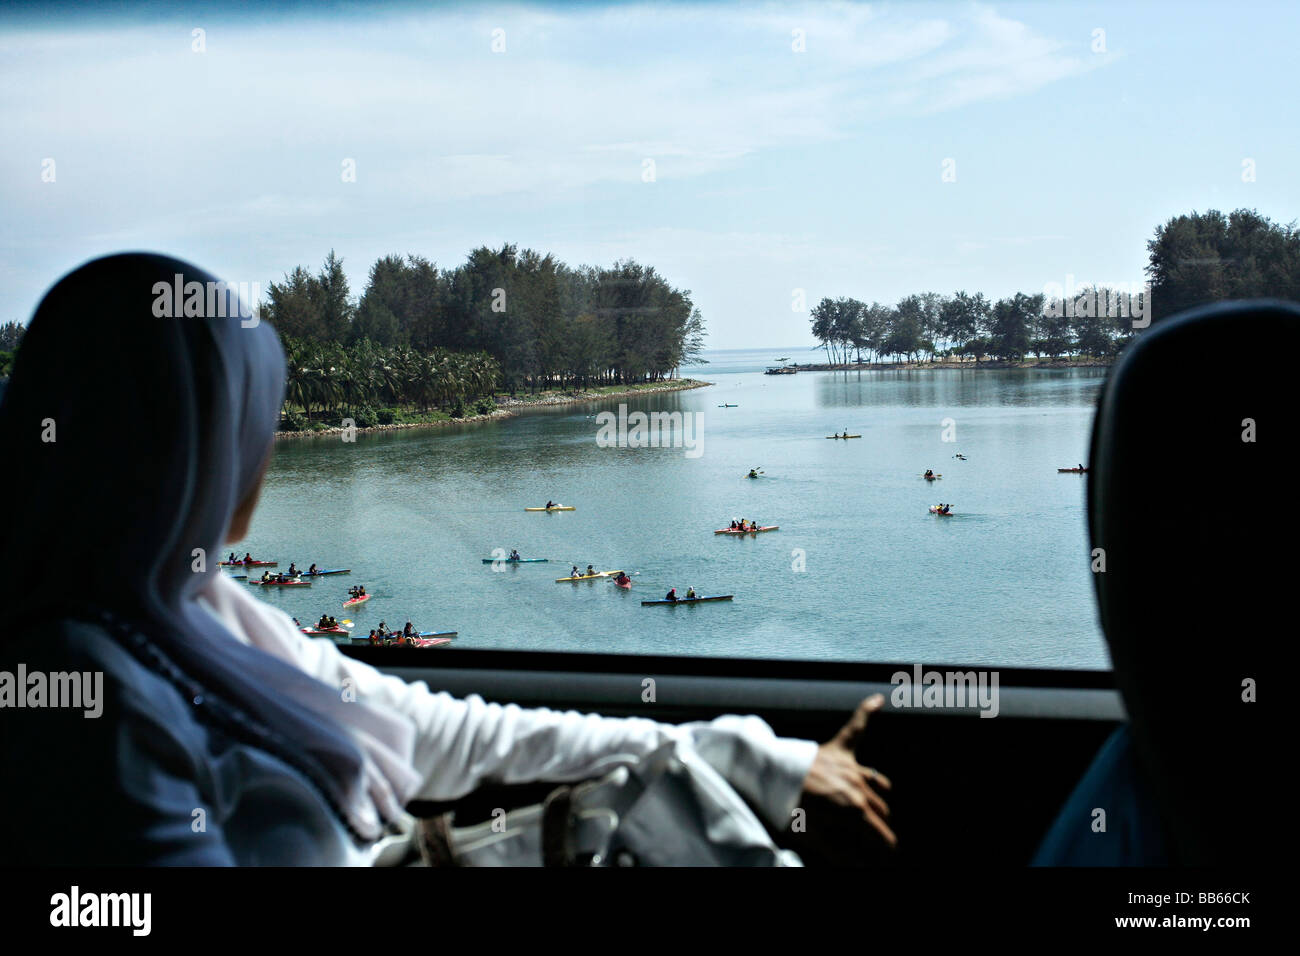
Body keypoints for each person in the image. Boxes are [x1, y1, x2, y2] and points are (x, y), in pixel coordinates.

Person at [0, 253, 895, 866]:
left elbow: (445, 734)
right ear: (182, 451)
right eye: (251, 424)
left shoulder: (211, 618)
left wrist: (742, 753)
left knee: (658, 793)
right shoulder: (79, 693)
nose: (264, 451)